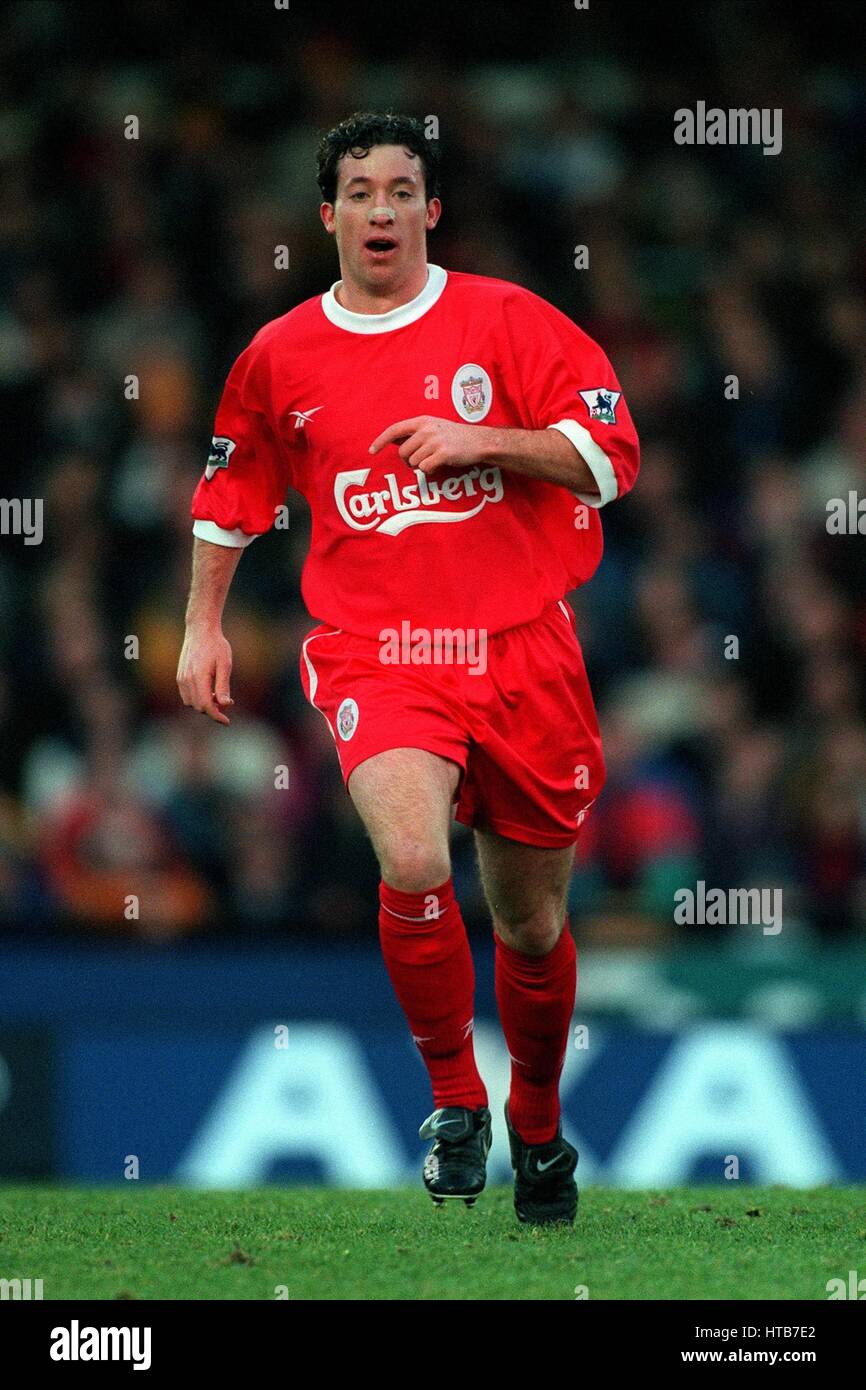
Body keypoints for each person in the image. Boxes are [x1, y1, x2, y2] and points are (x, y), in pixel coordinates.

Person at [177, 111, 639, 1225]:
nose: (380, 209)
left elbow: (610, 456)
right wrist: (201, 626)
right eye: (358, 190)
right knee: (412, 853)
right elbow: (233, 494)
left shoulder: (508, 320)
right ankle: (453, 1103)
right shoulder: (280, 353)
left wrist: (486, 441)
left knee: (530, 927)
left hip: (523, 650)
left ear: (430, 210)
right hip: (378, 652)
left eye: (400, 189)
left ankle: (536, 1124)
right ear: (326, 213)